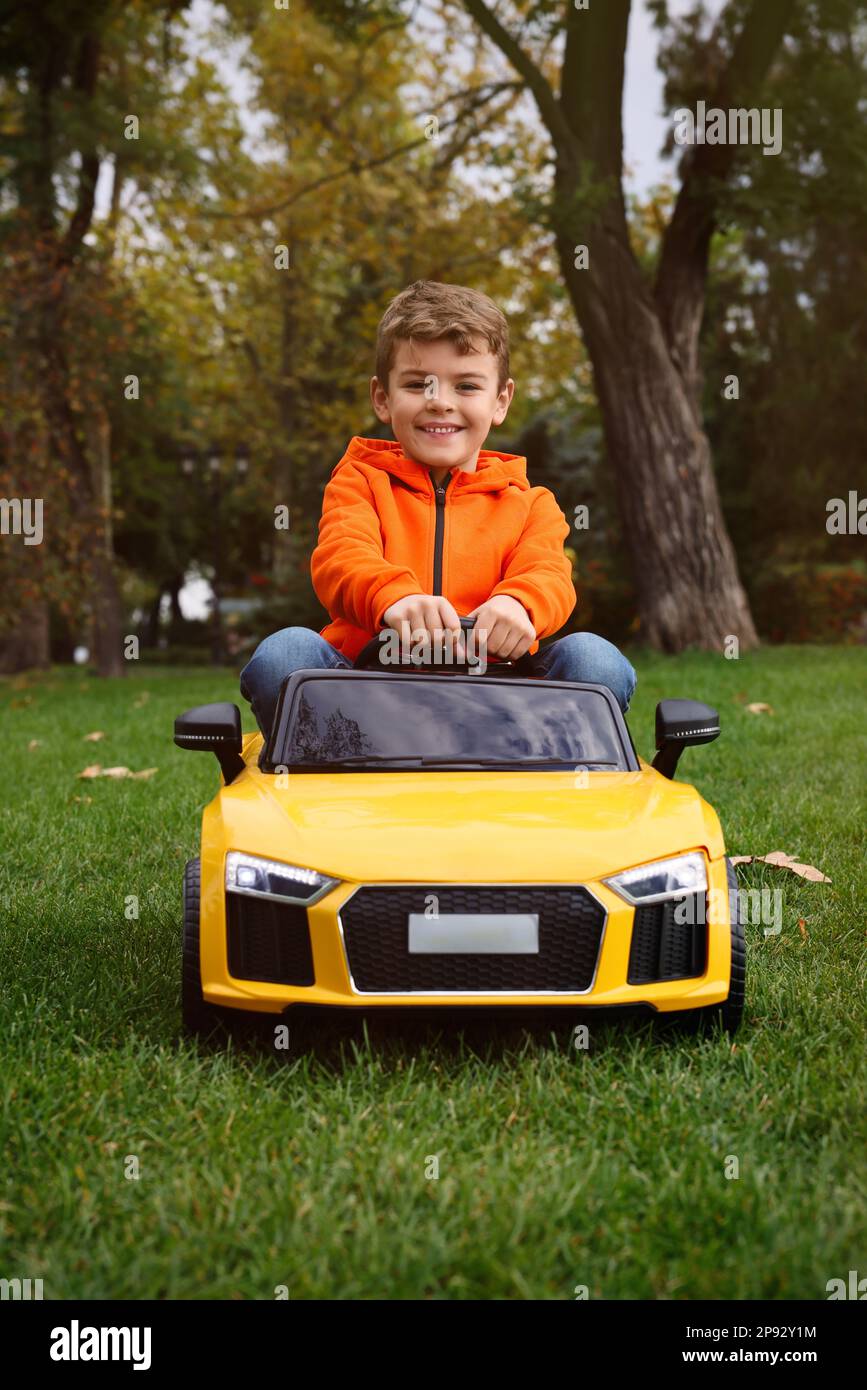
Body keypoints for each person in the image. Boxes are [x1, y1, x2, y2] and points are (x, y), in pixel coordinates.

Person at [241, 280, 636, 738]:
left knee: (596, 659)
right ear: (382, 399)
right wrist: (396, 599)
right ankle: (330, 760)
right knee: (284, 655)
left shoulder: (531, 504)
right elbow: (342, 558)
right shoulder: (359, 482)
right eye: (416, 384)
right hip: (365, 699)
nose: (440, 402)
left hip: (501, 700)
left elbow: (548, 574)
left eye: (466, 385)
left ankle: (553, 773)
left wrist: (519, 604)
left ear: (500, 401)